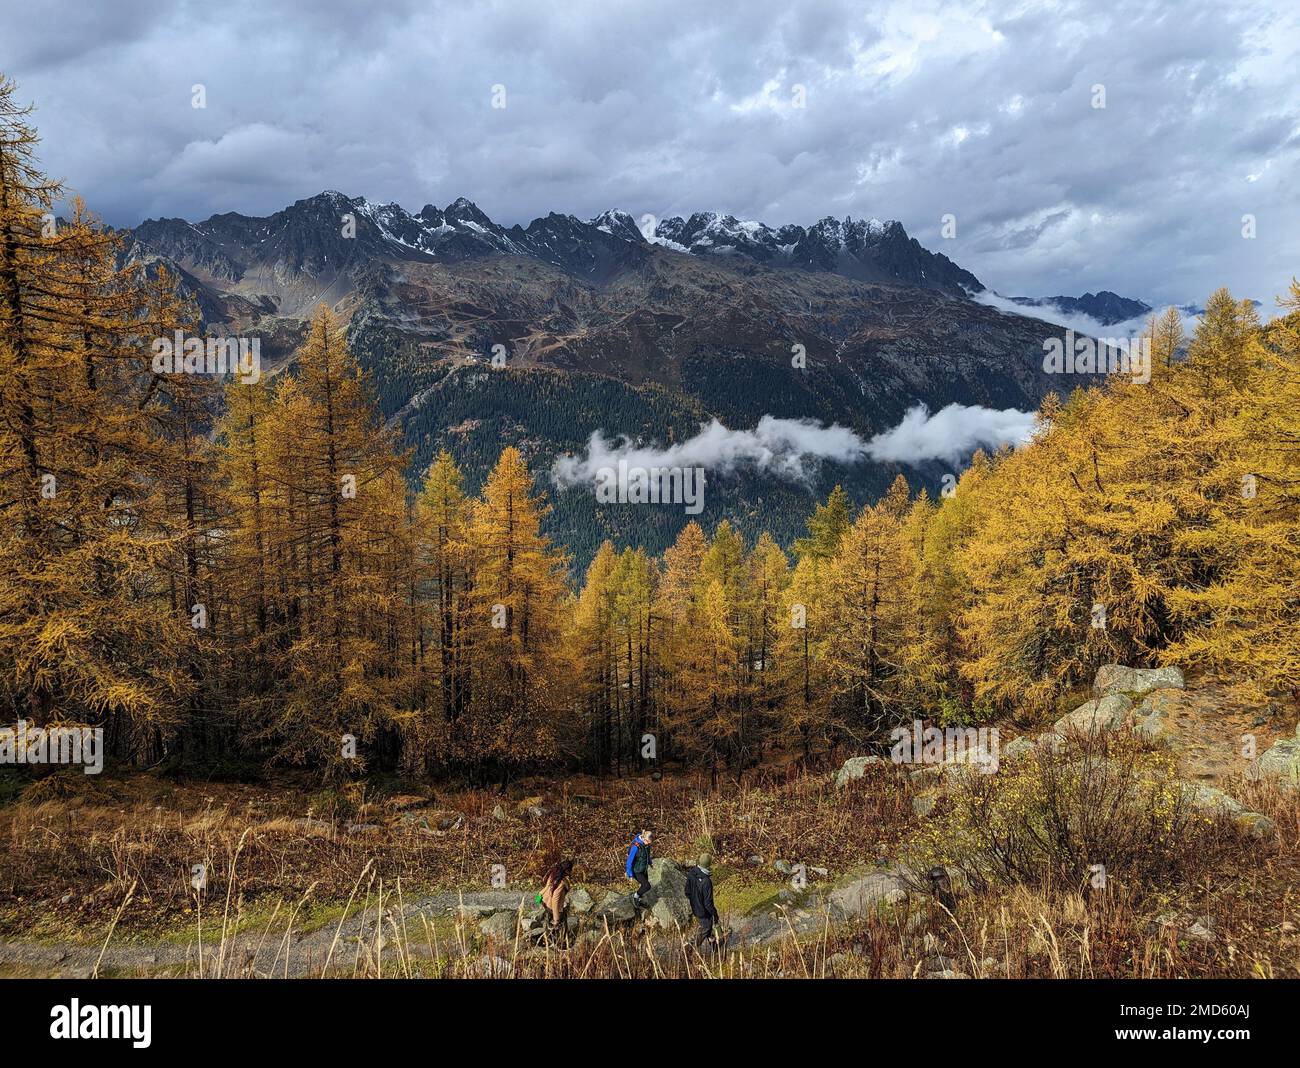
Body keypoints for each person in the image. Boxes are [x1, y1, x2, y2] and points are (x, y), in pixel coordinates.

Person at [684, 853, 722, 950]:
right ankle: (689, 949)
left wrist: (695, 901)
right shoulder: (706, 881)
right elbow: (708, 903)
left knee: (708, 928)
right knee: (706, 927)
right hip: (703, 911)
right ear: (709, 864)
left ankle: (716, 947)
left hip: (695, 907)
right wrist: (714, 914)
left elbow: (687, 892)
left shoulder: (692, 873)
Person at [539, 858, 574, 928]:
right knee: (561, 925)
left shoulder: (554, 874)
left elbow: (545, 888)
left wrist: (537, 901)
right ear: (567, 871)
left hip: (542, 899)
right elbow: (555, 901)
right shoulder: (561, 883)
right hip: (551, 907)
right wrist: (556, 919)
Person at [625, 829, 653, 907]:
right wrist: (630, 875)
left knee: (643, 885)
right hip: (636, 870)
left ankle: (639, 900)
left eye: (650, 843)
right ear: (644, 839)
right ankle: (635, 896)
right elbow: (629, 861)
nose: (648, 844)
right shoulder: (635, 847)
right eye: (647, 842)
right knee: (647, 886)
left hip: (643, 868)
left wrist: (650, 863)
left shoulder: (646, 844)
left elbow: (647, 854)